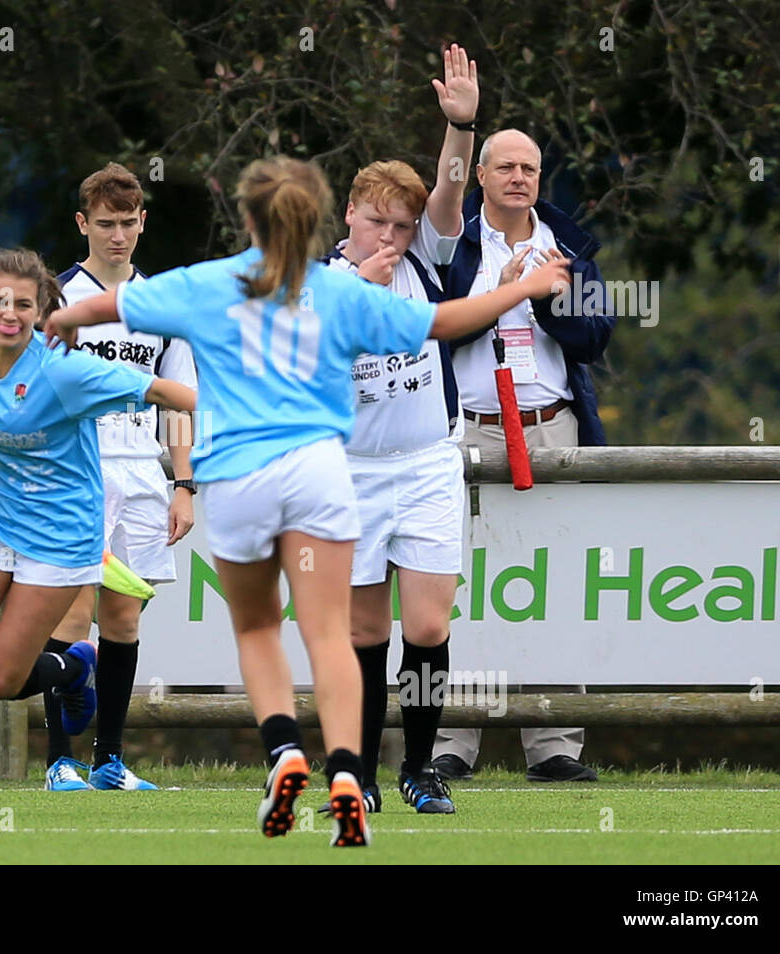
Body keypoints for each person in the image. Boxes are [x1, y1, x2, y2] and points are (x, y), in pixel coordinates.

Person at [44, 156, 572, 846]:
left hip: (239, 475)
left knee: (261, 632)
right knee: (333, 635)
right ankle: (350, 774)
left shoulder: (210, 283)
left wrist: (63, 322)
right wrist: (525, 287)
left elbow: (104, 306)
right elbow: (446, 321)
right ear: (325, 218)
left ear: (249, 219)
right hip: (323, 472)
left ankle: (285, 754)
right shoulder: (339, 291)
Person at [0, 247, 196, 816]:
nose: (9, 312)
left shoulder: (65, 369)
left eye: (24, 304)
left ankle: (77, 666)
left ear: (44, 311)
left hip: (62, 533)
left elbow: (164, 393)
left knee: (2, 679)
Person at [320, 42, 477, 815]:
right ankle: (357, 773)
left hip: (424, 463)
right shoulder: (317, 284)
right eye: (378, 221)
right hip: (347, 472)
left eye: (404, 226)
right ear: (349, 212)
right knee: (360, 629)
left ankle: (420, 768)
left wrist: (462, 128)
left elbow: (449, 197)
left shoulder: (426, 260)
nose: (392, 237)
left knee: (427, 620)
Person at [431, 128, 615, 784]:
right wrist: (499, 295)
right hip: (467, 432)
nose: (518, 177)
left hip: (551, 428)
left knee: (555, 583)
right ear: (480, 175)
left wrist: (545, 296)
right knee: (458, 585)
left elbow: (596, 337)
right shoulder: (455, 245)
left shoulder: (566, 245)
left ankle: (554, 743)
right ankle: (451, 741)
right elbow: (430, 330)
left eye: (529, 168)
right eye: (505, 166)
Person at [41, 163, 198, 792]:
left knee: (125, 620)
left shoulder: (163, 305)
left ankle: (108, 759)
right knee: (71, 617)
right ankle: (59, 761)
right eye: (104, 224)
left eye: (127, 223)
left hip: (143, 473)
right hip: (78, 471)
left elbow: (180, 402)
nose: (117, 235)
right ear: (83, 224)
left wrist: (183, 485)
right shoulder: (58, 300)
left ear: (142, 223)